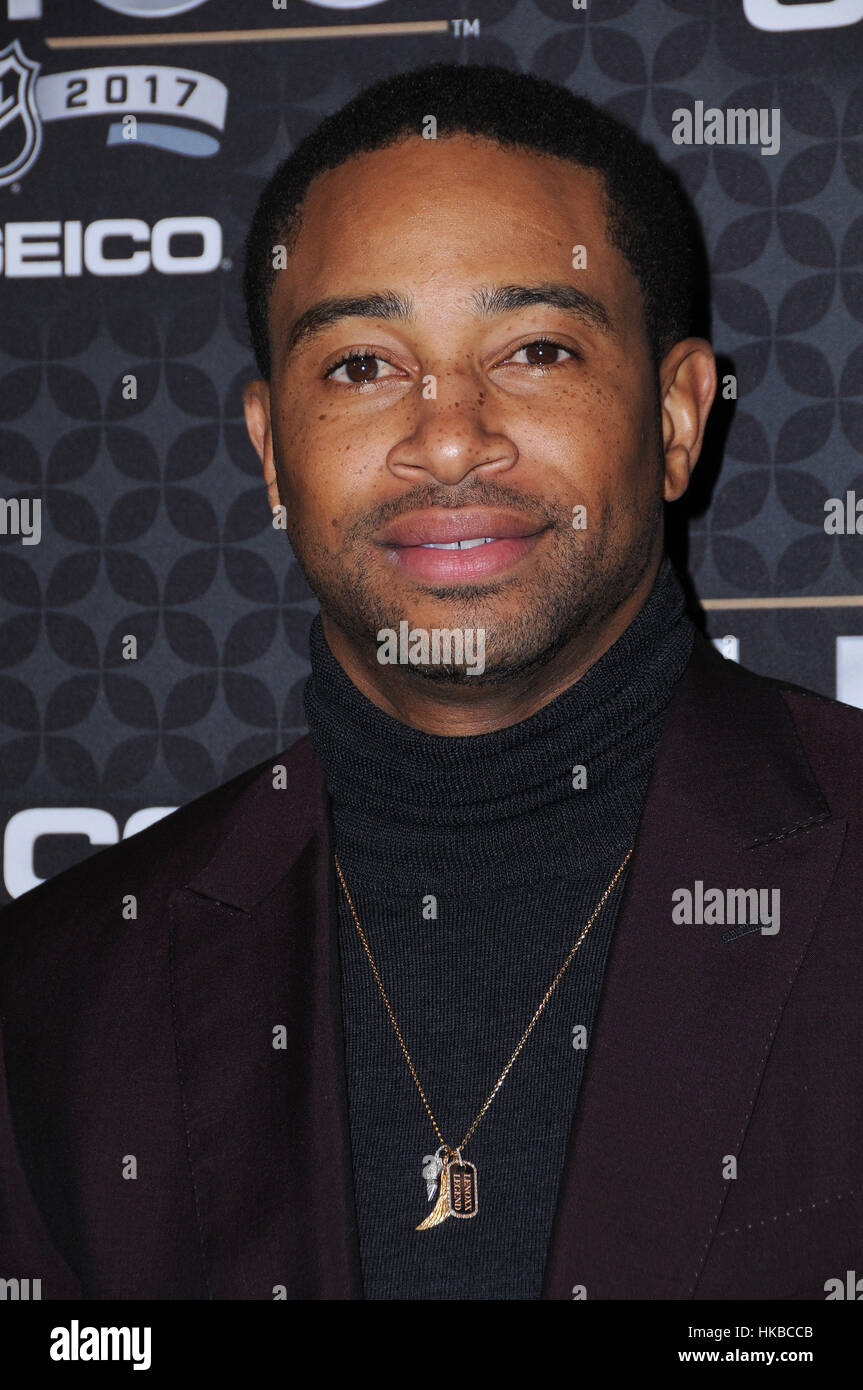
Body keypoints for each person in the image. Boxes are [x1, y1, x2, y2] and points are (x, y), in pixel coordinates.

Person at [1, 62, 860, 1302]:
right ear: (270, 450)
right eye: (360, 364)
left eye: (534, 348)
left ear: (674, 422)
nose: (448, 436)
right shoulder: (59, 1003)